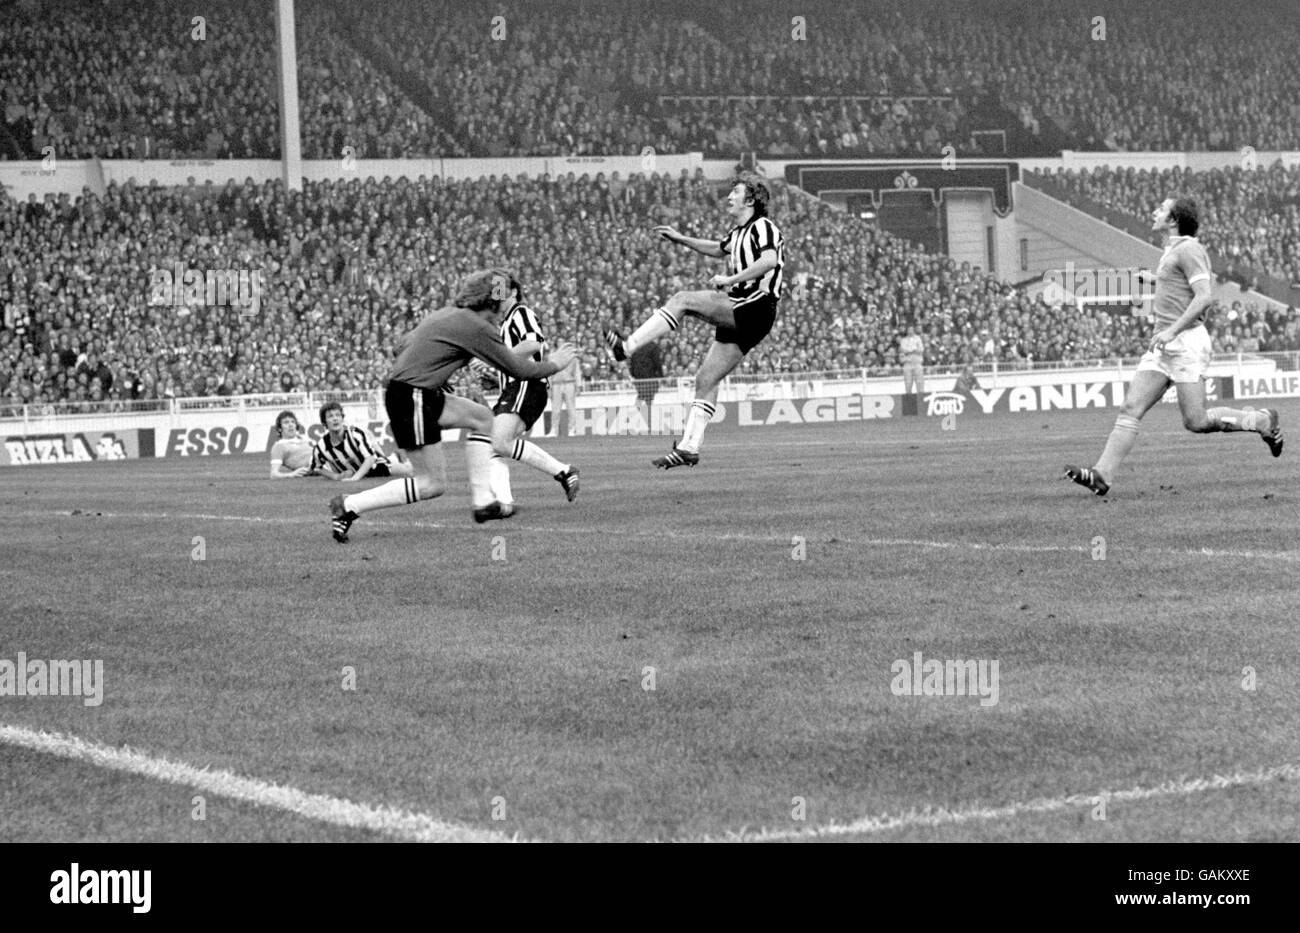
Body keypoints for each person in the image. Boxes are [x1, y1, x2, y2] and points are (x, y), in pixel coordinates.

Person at [328, 270, 578, 542]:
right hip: (413, 396)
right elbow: (519, 369)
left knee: (483, 417)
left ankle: (483, 501)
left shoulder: (446, 315)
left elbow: (401, 347)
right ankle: (348, 505)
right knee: (432, 484)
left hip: (415, 391)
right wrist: (557, 364)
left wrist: (433, 370)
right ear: (490, 304)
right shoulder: (478, 327)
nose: (500, 313)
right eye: (499, 303)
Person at [1065, 196, 1283, 496]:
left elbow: (1204, 296)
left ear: (1173, 219)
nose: (1154, 212)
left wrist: (1172, 330)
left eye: (1161, 209)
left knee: (1195, 421)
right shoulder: (1173, 250)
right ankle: (1102, 475)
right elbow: (1180, 286)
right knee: (1130, 408)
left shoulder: (1190, 249)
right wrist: (1154, 281)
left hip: (1186, 342)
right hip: (1164, 344)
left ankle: (1259, 419)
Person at [604, 174, 784, 468]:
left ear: (751, 200)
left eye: (735, 192)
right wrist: (681, 238)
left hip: (754, 305)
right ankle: (689, 447)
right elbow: (717, 248)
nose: (729, 196)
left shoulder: (762, 226)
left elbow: (769, 261)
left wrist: (731, 279)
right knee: (705, 380)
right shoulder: (738, 232)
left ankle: (627, 347)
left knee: (683, 300)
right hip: (745, 311)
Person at [483, 269, 580, 515]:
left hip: (526, 384)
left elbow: (533, 343)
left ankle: (562, 471)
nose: (497, 299)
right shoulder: (504, 323)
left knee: (498, 441)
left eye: (501, 292)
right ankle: (504, 504)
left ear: (514, 291)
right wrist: (496, 376)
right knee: (492, 444)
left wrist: (496, 360)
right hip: (515, 388)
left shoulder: (520, 313)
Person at [312, 400, 414, 482]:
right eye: (330, 416)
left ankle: (396, 457)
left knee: (409, 470)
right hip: (357, 470)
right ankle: (394, 456)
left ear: (342, 418)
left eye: (338, 415)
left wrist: (355, 478)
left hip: (376, 467)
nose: (335, 419)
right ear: (324, 422)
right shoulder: (321, 446)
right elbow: (315, 467)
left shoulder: (355, 434)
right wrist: (335, 476)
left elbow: (370, 459)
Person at [268, 410, 314, 478]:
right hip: (317, 465)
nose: (290, 425)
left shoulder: (303, 440)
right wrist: (292, 474)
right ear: (280, 428)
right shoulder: (279, 446)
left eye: (293, 422)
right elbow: (274, 474)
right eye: (286, 422)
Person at [628, 341, 663, 427]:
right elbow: (657, 362)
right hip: (650, 377)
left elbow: (632, 362)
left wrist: (633, 374)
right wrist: (661, 375)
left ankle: (645, 418)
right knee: (648, 398)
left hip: (638, 378)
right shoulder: (653, 346)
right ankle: (647, 419)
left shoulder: (636, 345)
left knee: (642, 397)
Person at [548, 349, 579, 438]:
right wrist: (549, 387)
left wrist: (578, 385)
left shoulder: (572, 356)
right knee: (555, 409)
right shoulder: (552, 356)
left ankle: (572, 430)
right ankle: (554, 430)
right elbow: (549, 372)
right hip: (556, 384)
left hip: (569, 382)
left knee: (571, 408)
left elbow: (577, 371)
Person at [899, 324, 925, 395]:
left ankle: (921, 396)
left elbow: (920, 350)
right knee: (908, 383)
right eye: (909, 330)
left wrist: (910, 351)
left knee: (919, 382)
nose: (910, 331)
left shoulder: (918, 339)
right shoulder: (903, 340)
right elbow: (903, 350)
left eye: (911, 330)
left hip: (917, 362)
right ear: (907, 331)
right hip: (907, 363)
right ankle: (908, 397)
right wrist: (913, 350)